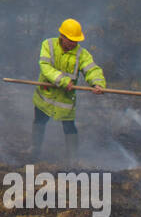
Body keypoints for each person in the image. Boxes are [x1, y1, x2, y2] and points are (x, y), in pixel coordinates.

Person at [32, 18, 106, 163]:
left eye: (76, 40)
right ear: (62, 36)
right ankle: (34, 150)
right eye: (70, 39)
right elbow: (45, 67)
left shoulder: (82, 54)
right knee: (39, 121)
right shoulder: (48, 45)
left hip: (65, 100)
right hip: (45, 96)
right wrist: (63, 80)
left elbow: (92, 70)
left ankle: (73, 159)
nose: (73, 43)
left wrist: (97, 83)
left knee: (69, 127)